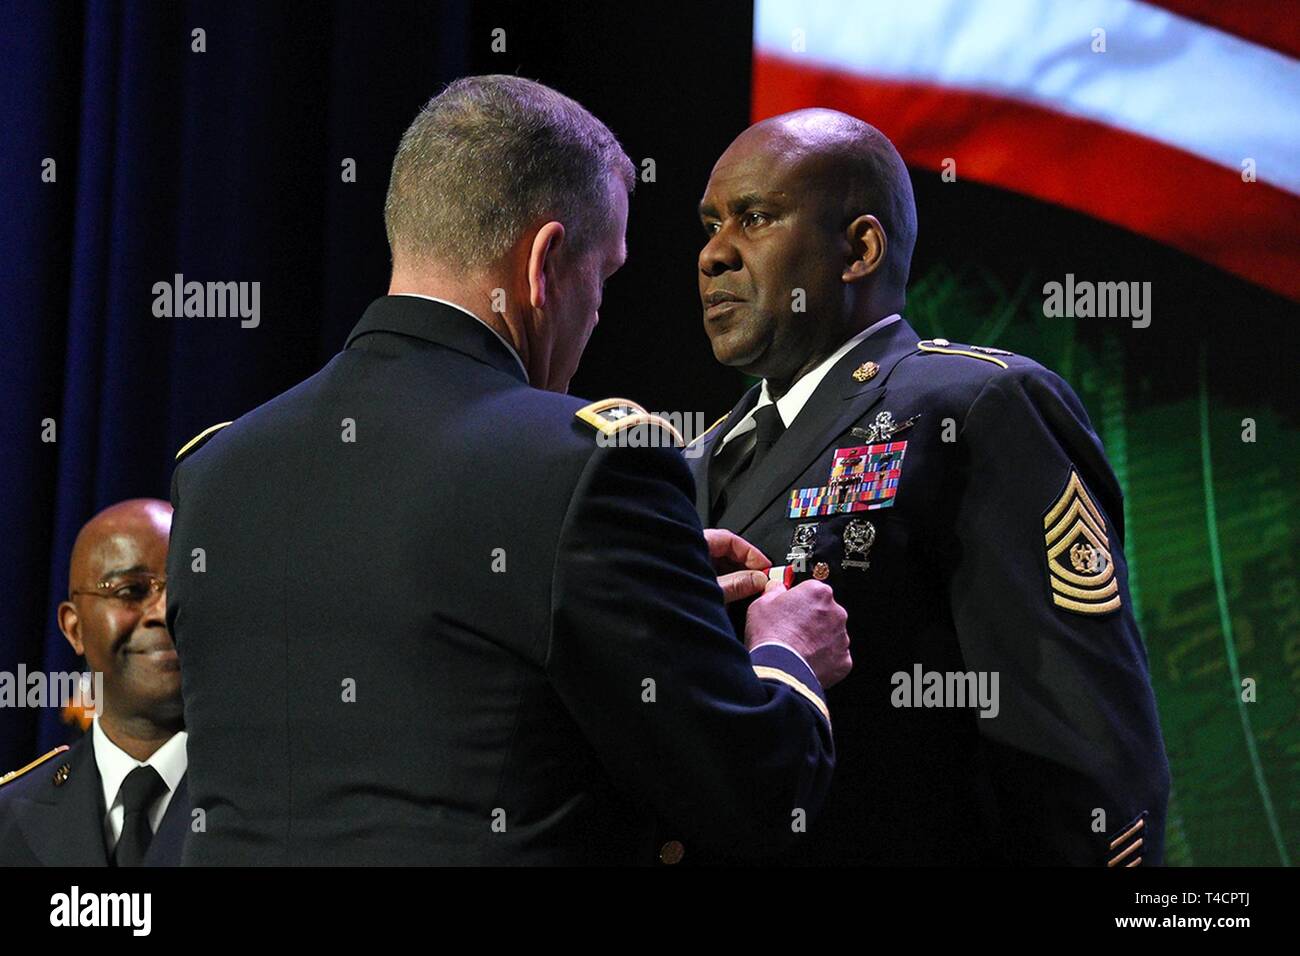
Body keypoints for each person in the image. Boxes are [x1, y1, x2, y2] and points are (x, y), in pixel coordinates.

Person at [166, 76, 851, 866]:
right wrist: (786, 654)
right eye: (604, 276)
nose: (597, 313)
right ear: (546, 262)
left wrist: (645, 582)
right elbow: (756, 793)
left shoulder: (216, 471)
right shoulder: (590, 466)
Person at [688, 108, 1170, 865]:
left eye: (754, 219)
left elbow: (1080, 742)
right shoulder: (692, 461)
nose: (714, 254)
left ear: (860, 249)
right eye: (711, 225)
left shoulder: (975, 405)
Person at [0, 499, 190, 866]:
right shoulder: (8, 821)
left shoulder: (271, 803)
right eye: (131, 591)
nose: (164, 611)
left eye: (182, 588)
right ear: (75, 628)